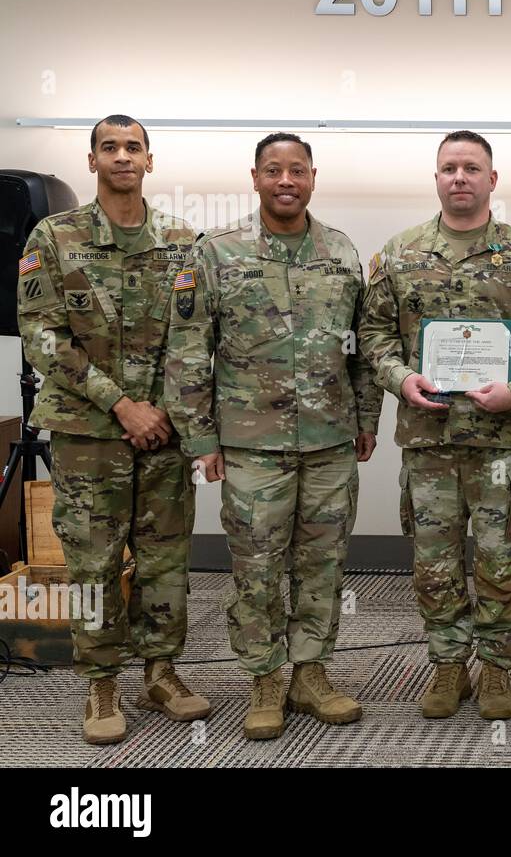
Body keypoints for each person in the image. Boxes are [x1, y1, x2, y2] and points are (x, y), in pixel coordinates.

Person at [166, 132, 381, 740]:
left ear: (314, 176)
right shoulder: (216, 252)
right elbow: (187, 353)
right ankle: (264, 679)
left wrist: (367, 420)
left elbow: (362, 350)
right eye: (273, 170)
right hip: (250, 442)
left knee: (323, 563)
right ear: (255, 177)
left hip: (331, 441)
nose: (286, 181)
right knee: (256, 567)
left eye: (298, 170)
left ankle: (310, 675)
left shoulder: (341, 251)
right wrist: (201, 438)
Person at [358, 131, 511, 720]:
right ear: (437, 177)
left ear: (492, 180)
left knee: (500, 559)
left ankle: (497, 670)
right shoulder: (399, 255)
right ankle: (448, 666)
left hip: (500, 441)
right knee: (434, 560)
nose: (460, 178)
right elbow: (372, 337)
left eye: (472, 168)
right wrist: (402, 380)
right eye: (449, 168)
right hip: (429, 440)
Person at [18, 114, 207, 744]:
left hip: (166, 433)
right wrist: (123, 405)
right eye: (110, 147)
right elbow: (44, 337)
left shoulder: (184, 241)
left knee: (165, 557)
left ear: (150, 161)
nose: (122, 156)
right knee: (93, 560)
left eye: (134, 147)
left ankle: (160, 671)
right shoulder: (54, 235)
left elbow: (194, 338)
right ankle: (101, 683)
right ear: (92, 159)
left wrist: (162, 412)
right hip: (89, 433)